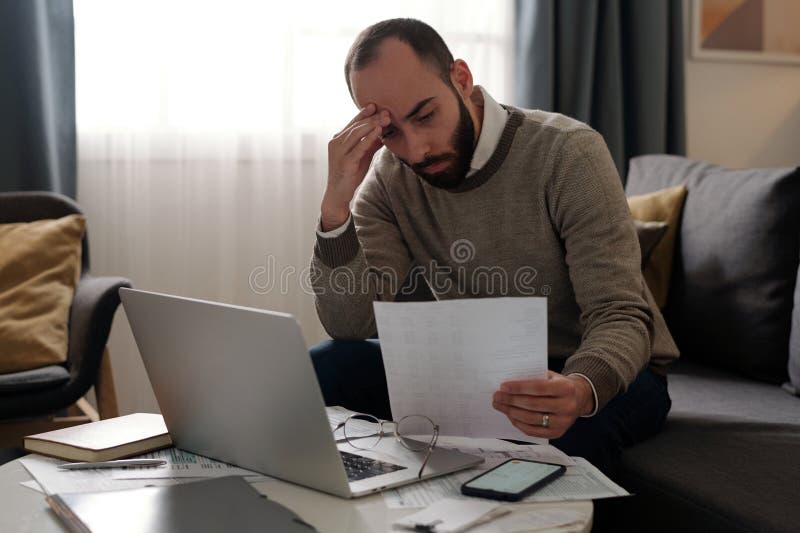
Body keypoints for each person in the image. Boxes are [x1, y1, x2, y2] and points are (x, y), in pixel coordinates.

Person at [308, 18, 679, 473]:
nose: (417, 149)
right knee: (328, 365)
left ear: (461, 79)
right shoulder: (391, 178)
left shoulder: (568, 153)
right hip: (476, 368)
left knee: (565, 434)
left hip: (595, 367)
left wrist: (579, 388)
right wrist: (335, 209)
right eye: (391, 132)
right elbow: (351, 322)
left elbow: (620, 314)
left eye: (425, 115)